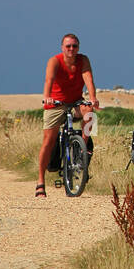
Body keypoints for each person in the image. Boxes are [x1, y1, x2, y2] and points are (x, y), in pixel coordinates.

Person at [36, 34, 98, 197]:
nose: (71, 49)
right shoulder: (55, 61)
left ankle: (82, 149)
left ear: (78, 47)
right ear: (62, 47)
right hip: (55, 104)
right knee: (48, 141)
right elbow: (48, 80)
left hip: (75, 102)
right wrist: (47, 96)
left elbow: (88, 79)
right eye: (68, 46)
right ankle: (40, 181)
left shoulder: (83, 60)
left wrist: (93, 98)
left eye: (74, 46)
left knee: (89, 112)